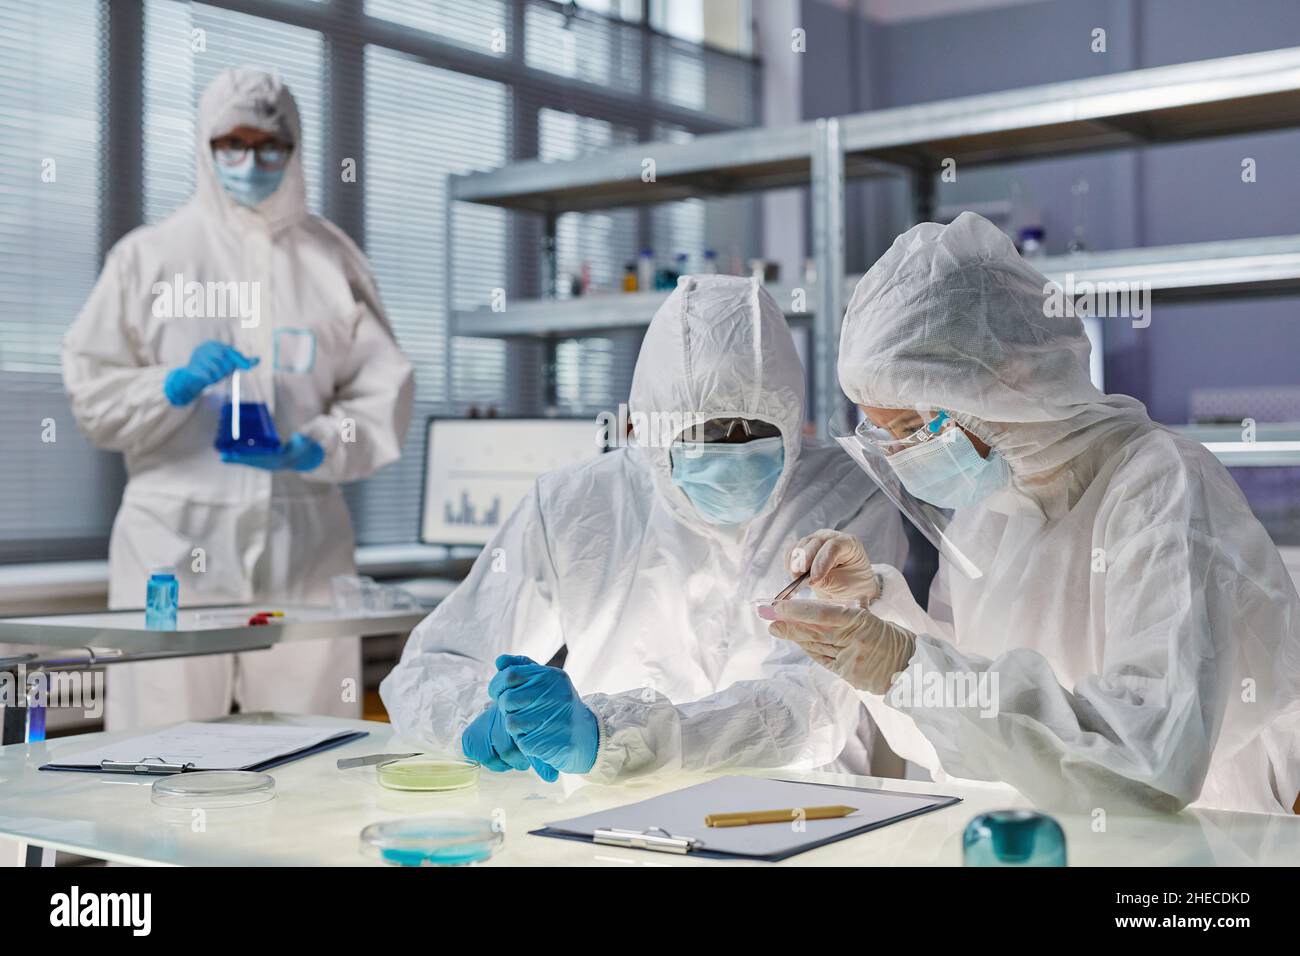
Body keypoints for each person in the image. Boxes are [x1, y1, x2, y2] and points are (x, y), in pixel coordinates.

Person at [766, 212, 1300, 814]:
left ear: (1007, 377)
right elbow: (960, 742)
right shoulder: (989, 509)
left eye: (915, 426)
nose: (908, 455)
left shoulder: (1159, 487)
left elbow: (1145, 764)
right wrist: (880, 616)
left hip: (1198, 853)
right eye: (887, 435)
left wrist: (907, 667)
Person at [381, 275, 906, 781]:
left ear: (794, 419)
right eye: (705, 431)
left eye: (757, 427)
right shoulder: (575, 503)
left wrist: (613, 737)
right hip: (605, 801)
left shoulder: (849, 494)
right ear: (648, 427)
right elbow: (435, 664)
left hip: (797, 805)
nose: (734, 447)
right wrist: (482, 719)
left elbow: (811, 707)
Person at [63, 68, 414, 729]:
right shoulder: (149, 258)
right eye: (232, 143)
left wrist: (320, 443)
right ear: (206, 145)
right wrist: (167, 386)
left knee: (313, 739)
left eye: (268, 144)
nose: (250, 160)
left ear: (294, 146)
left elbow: (383, 391)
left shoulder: (332, 261)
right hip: (170, 540)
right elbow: (90, 394)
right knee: (158, 742)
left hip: (303, 536)